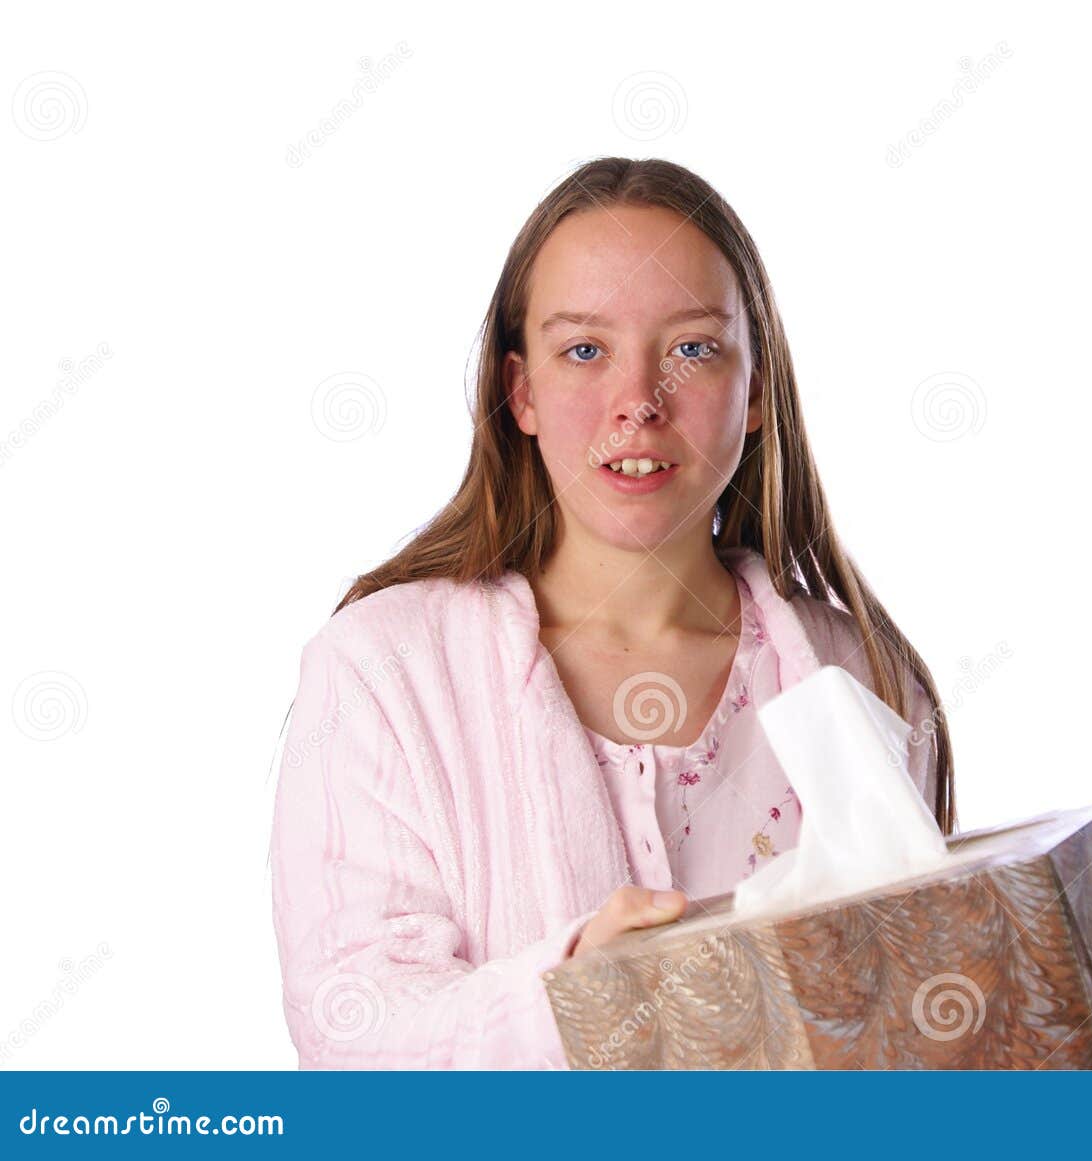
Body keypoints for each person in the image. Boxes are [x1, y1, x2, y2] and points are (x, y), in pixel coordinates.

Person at [268, 157, 954, 1068]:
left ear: (755, 390)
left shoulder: (865, 681)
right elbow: (351, 1036)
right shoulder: (382, 673)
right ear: (521, 392)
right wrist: (575, 1002)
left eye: (692, 349)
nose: (638, 404)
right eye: (585, 351)